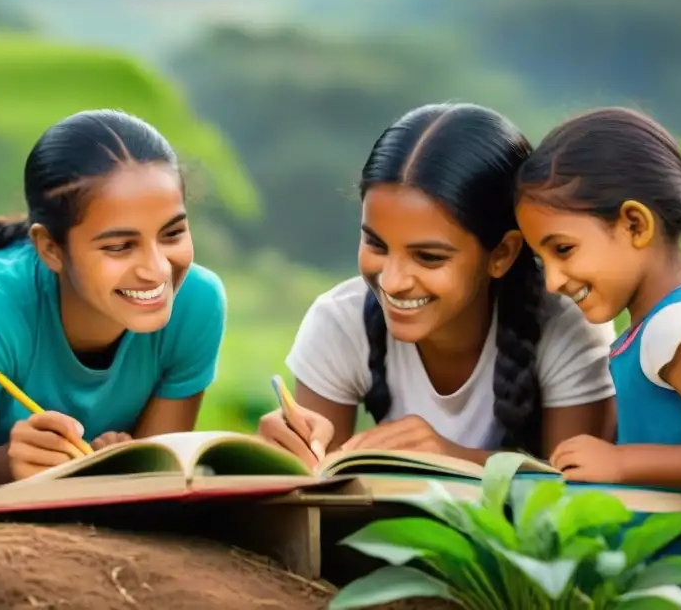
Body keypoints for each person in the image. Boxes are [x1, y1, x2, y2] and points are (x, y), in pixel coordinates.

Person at [257, 103, 617, 468]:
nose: (393, 282)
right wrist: (288, 456)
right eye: (376, 245)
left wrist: (450, 460)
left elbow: (575, 486)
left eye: (428, 257)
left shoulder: (567, 325)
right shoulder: (339, 322)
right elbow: (321, 481)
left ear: (502, 253)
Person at [515, 106, 681, 582]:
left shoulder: (679, 326)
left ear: (634, 225)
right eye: (543, 260)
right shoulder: (667, 320)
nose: (553, 281)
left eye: (563, 250)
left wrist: (620, 462)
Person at [0, 109, 227, 483]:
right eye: (120, 246)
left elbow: (159, 475)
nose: (158, 269)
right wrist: (6, 463)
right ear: (50, 248)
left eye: (172, 234)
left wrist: (116, 462)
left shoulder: (195, 304)